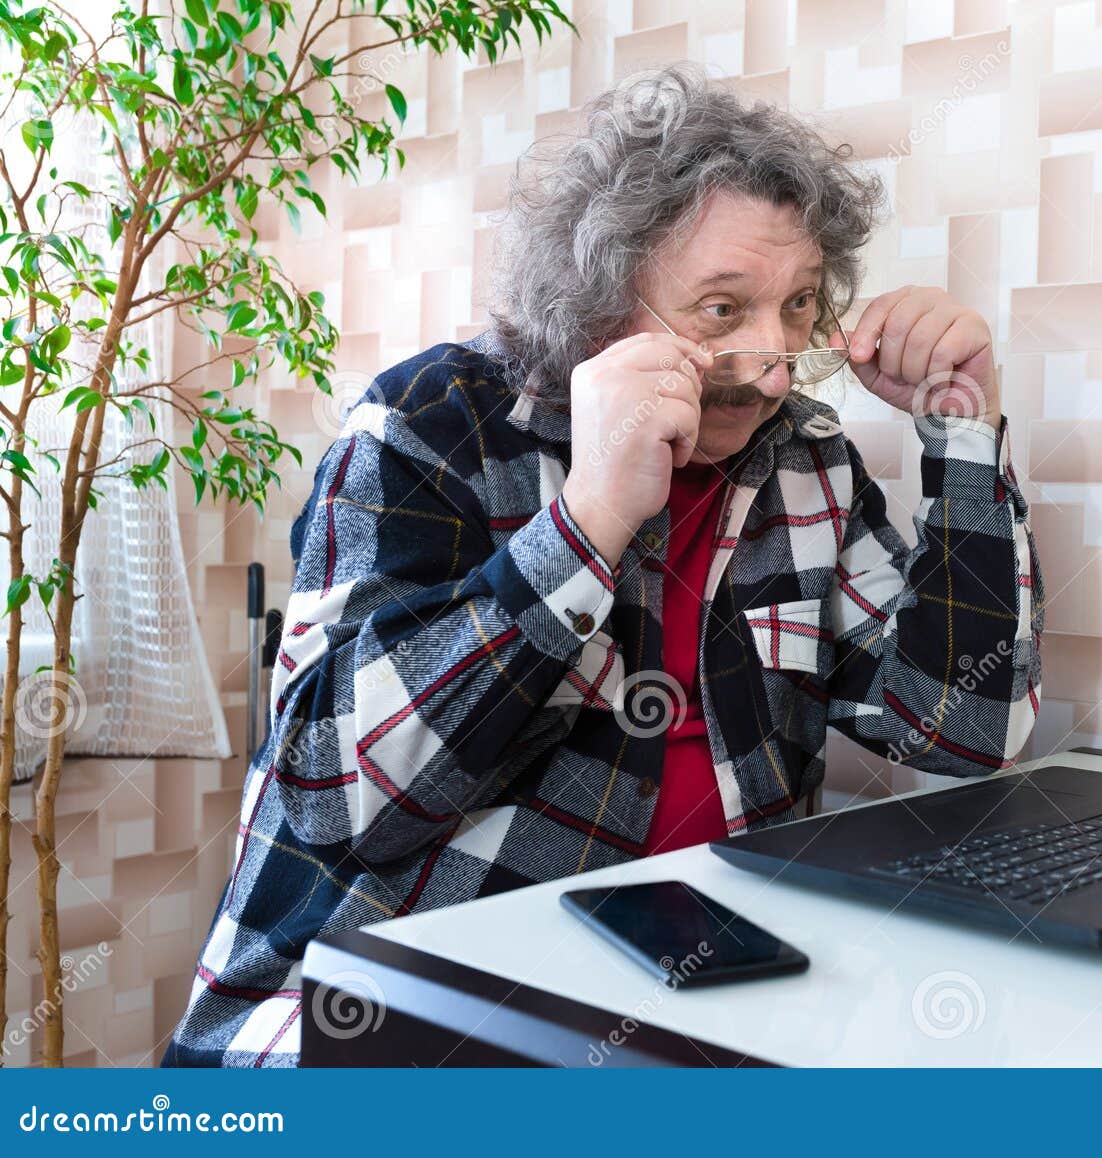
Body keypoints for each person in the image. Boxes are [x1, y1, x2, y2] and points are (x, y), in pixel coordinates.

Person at [166, 63, 1043, 1067]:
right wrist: (583, 528)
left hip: (688, 1011)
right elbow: (340, 798)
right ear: (599, 303)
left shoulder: (805, 458)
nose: (770, 362)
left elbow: (964, 733)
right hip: (374, 1017)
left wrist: (959, 434)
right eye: (722, 310)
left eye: (799, 305)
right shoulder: (436, 424)